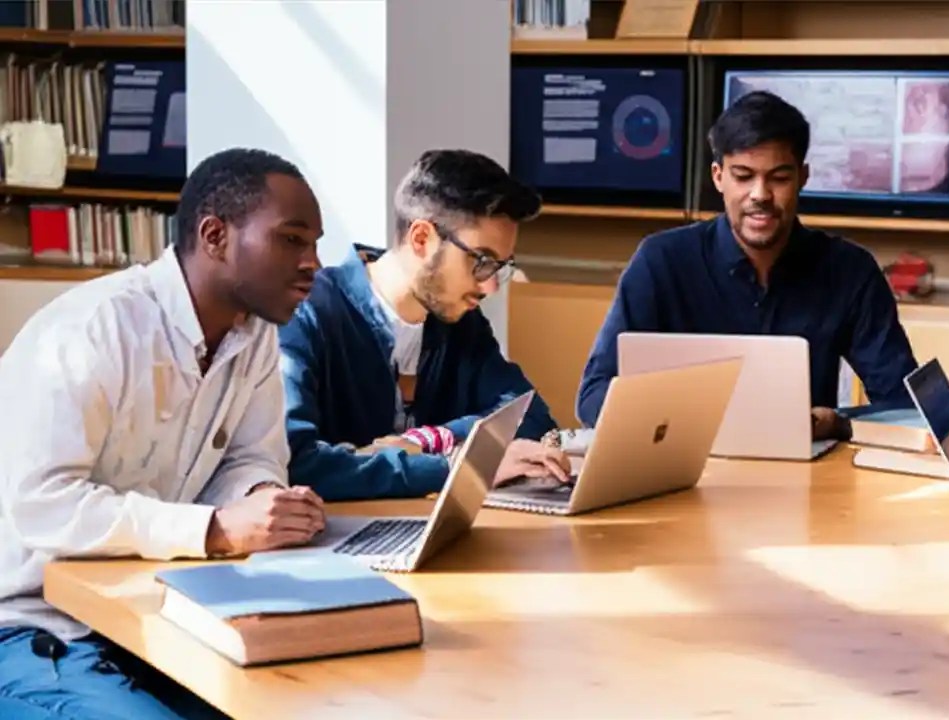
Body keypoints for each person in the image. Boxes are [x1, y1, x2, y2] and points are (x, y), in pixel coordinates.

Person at [0, 147, 328, 719]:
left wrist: (261, 501)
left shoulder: (253, 337)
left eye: (315, 244)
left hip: (151, 610)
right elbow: (43, 505)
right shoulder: (92, 330)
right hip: (32, 624)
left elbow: (251, 457)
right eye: (293, 239)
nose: (313, 263)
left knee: (311, 703)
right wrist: (218, 530)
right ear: (215, 235)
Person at [576, 91, 918, 440]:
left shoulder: (850, 270)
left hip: (806, 474)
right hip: (684, 465)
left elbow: (904, 404)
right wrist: (674, 421)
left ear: (803, 177)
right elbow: (593, 397)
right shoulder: (661, 262)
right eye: (743, 176)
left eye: (779, 178)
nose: (760, 195)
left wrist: (839, 423)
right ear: (718, 176)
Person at [279, 148, 567, 501]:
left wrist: (426, 441)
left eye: (500, 266)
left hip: (429, 538)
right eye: (481, 261)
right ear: (421, 239)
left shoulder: (459, 320)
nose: (490, 285)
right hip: (334, 546)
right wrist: (456, 466)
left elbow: (530, 415)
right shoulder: (307, 316)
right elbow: (297, 463)